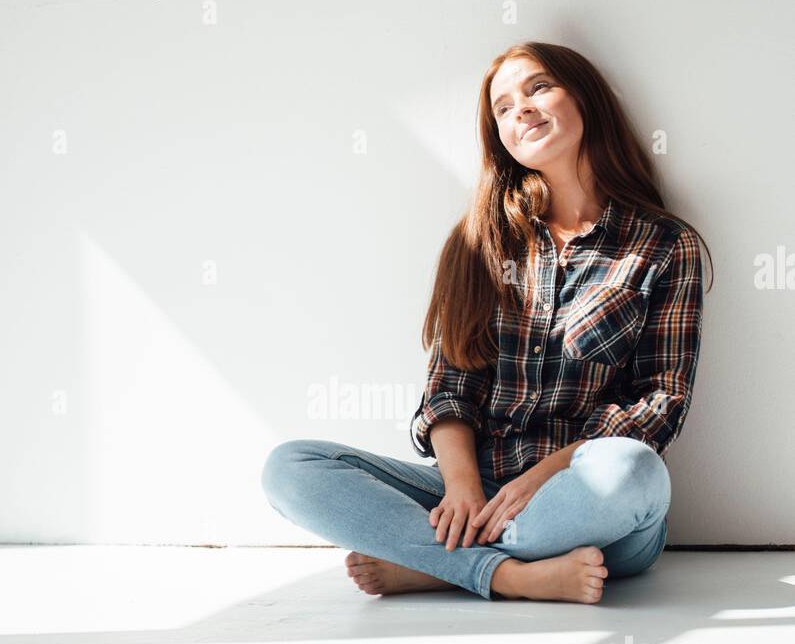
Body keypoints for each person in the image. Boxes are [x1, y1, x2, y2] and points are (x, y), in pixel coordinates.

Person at [261, 42, 711, 604]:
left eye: (538, 88)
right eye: (501, 106)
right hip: (475, 489)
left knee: (636, 473)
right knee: (291, 468)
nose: (519, 108)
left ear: (588, 98)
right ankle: (511, 575)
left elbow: (659, 403)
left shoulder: (665, 245)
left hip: (582, 498)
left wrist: (538, 479)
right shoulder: (479, 242)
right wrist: (463, 487)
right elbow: (450, 388)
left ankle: (435, 566)